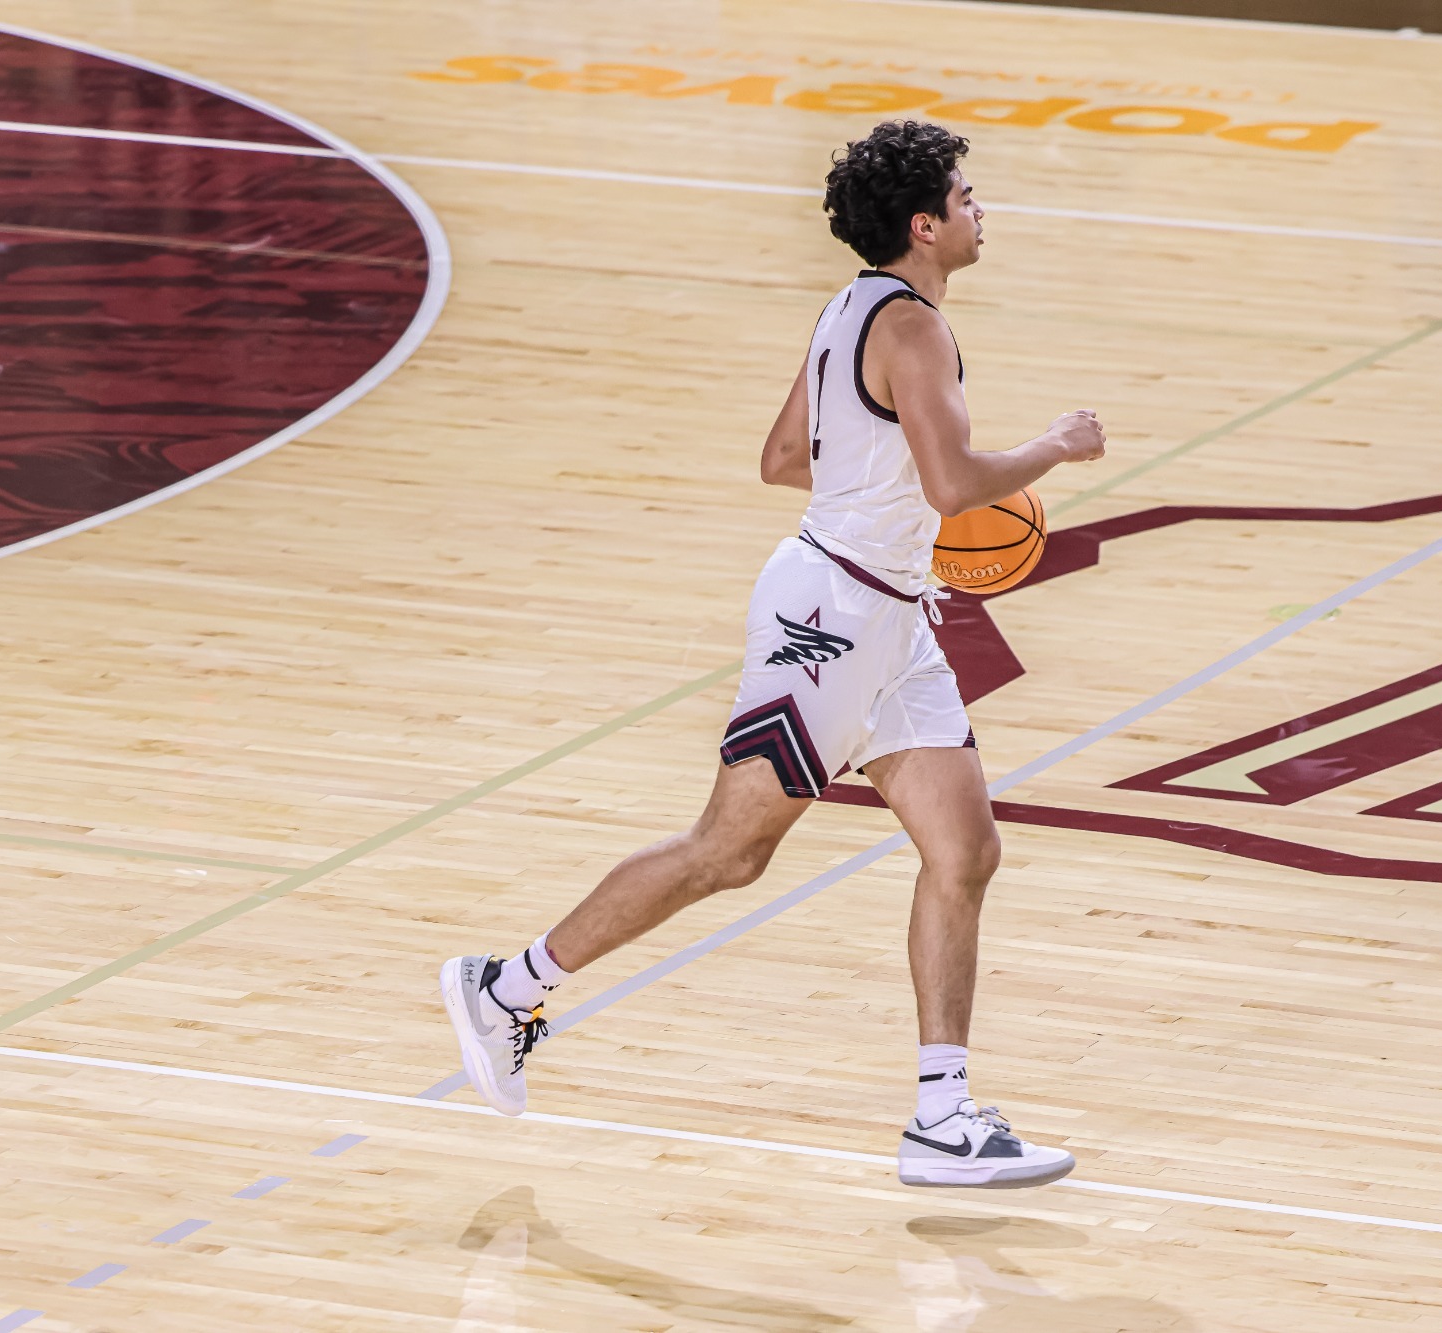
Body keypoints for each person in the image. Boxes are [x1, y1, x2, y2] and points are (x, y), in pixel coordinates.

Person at [440, 119, 1107, 1190]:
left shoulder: (847, 309)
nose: (984, 210)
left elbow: (778, 458)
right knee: (728, 850)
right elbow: (951, 487)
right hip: (833, 617)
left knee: (964, 850)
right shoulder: (918, 332)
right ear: (924, 225)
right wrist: (1051, 450)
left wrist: (868, 502)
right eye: (967, 196)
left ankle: (941, 1117)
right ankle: (504, 988)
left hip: (888, 613)